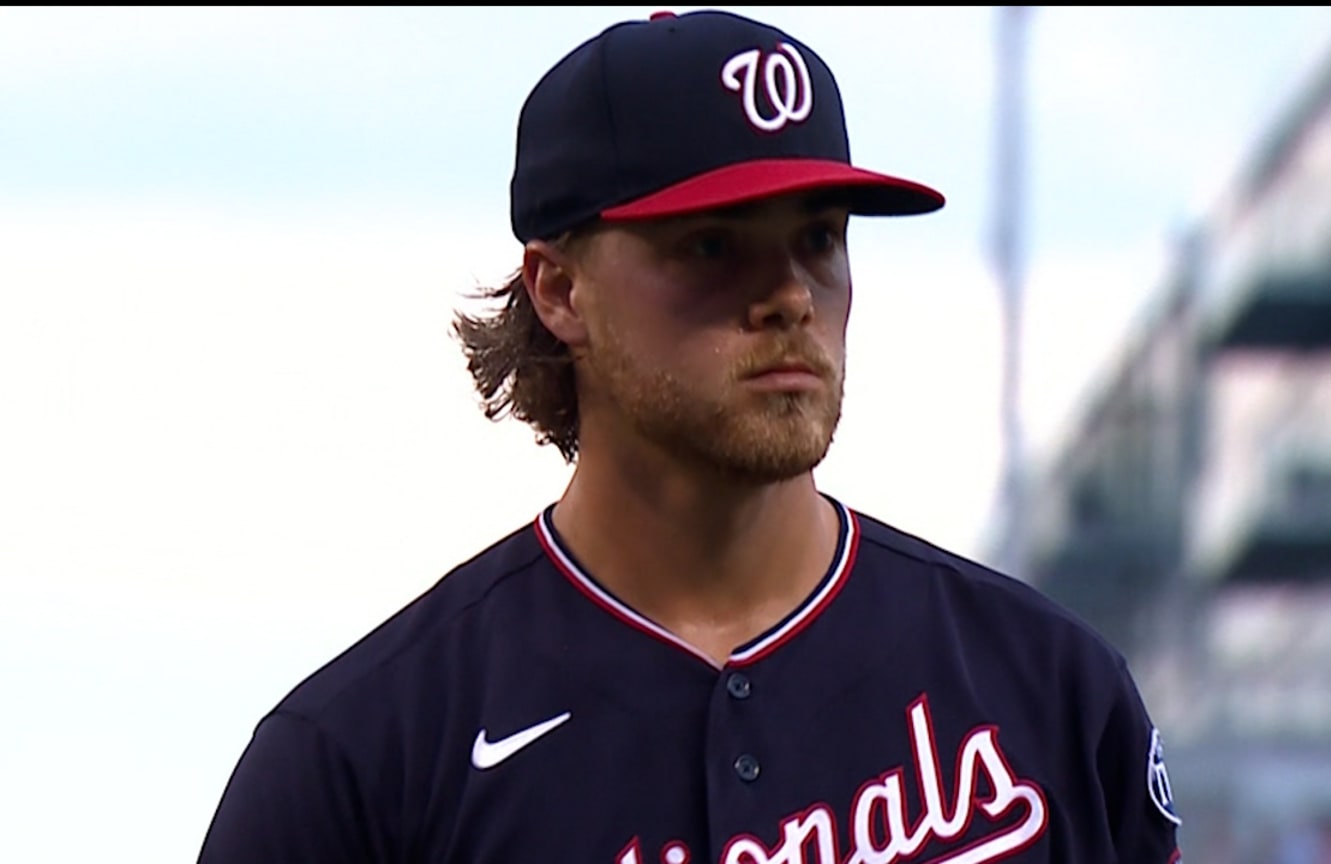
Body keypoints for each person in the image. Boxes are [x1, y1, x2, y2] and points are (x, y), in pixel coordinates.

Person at [197, 9, 1184, 864]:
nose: (790, 296)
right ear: (559, 290)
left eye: (820, 239)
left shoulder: (1051, 695)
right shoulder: (364, 758)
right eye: (712, 244)